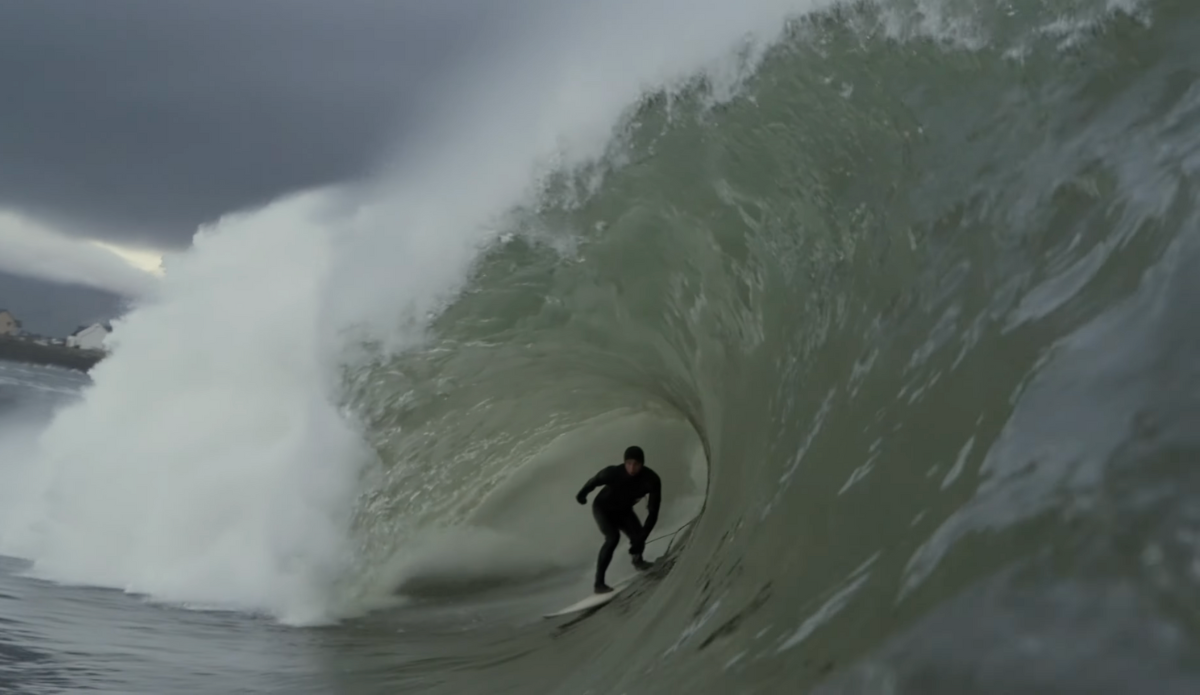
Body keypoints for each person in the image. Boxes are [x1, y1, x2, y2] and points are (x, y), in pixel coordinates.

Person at [576, 445, 661, 593]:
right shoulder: (613, 473)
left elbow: (653, 513)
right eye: (628, 463)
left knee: (638, 535)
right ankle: (599, 584)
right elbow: (594, 481)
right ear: (624, 463)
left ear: (642, 464)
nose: (632, 468)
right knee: (612, 537)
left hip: (623, 511)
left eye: (636, 464)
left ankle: (638, 562)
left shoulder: (651, 480)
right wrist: (582, 495)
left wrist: (641, 539)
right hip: (603, 509)